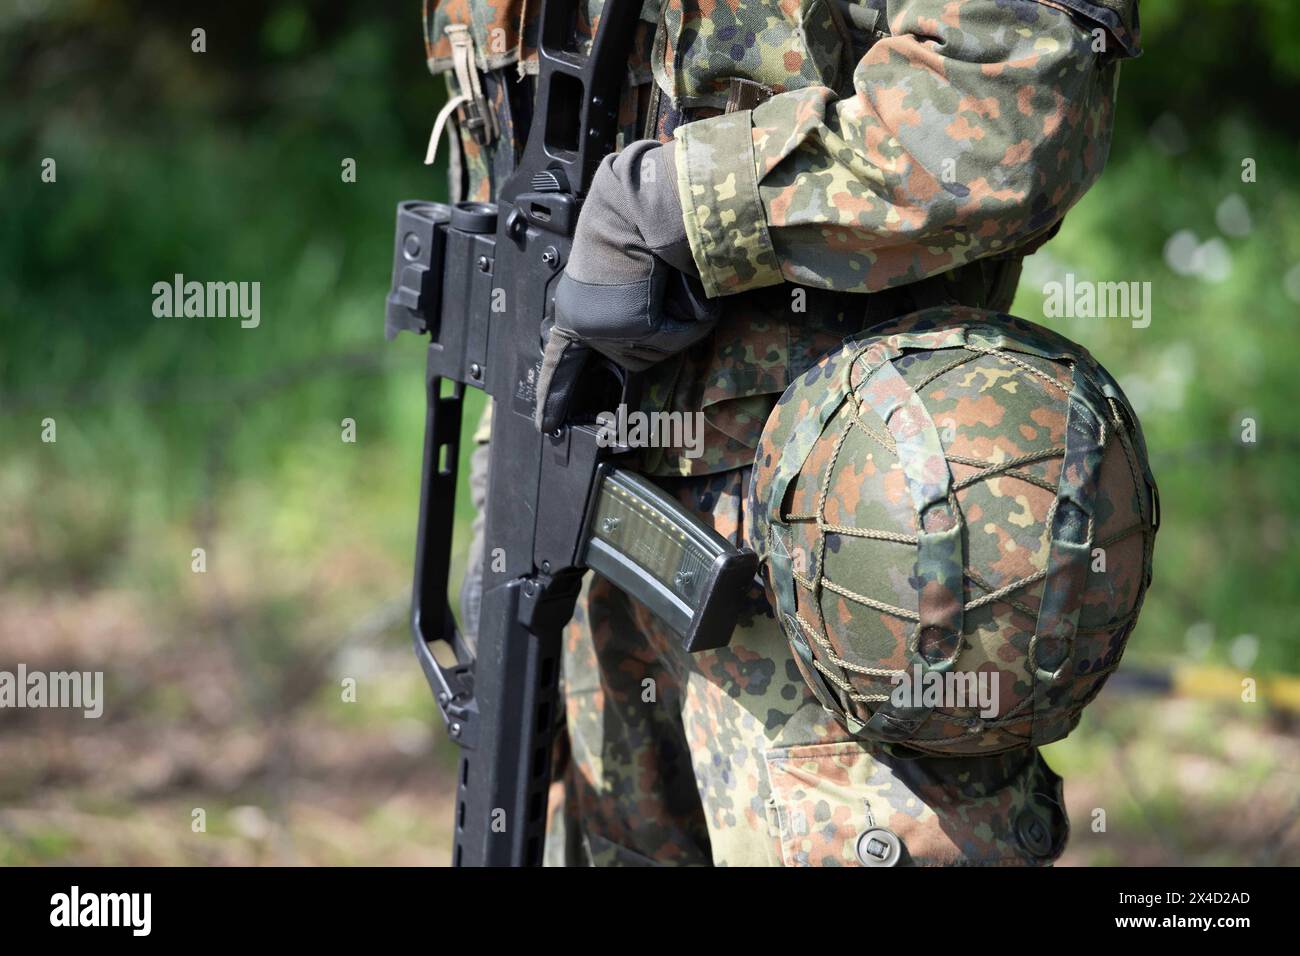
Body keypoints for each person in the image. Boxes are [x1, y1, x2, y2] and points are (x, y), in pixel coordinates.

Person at [429, 0, 1143, 865]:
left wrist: (681, 204)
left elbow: (1007, 102)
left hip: (852, 542)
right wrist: (506, 478)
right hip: (579, 522)